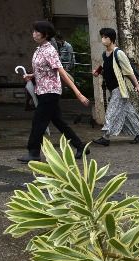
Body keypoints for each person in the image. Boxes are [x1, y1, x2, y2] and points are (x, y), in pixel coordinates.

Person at [18, 20, 91, 163]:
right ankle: (80, 146)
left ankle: (33, 152)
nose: (34, 33)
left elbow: (61, 72)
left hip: (50, 92)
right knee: (58, 121)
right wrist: (31, 75)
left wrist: (78, 93)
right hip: (42, 90)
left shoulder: (50, 50)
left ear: (45, 34)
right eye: (34, 31)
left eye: (37, 31)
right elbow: (44, 70)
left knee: (38, 121)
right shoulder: (40, 49)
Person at [92, 28, 139, 146]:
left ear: (111, 39)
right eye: (102, 37)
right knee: (129, 113)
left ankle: (105, 137)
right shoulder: (105, 54)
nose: (103, 40)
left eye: (105, 37)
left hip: (119, 89)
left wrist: (137, 85)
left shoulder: (119, 53)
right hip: (112, 88)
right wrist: (97, 72)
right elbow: (104, 67)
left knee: (111, 111)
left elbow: (129, 71)